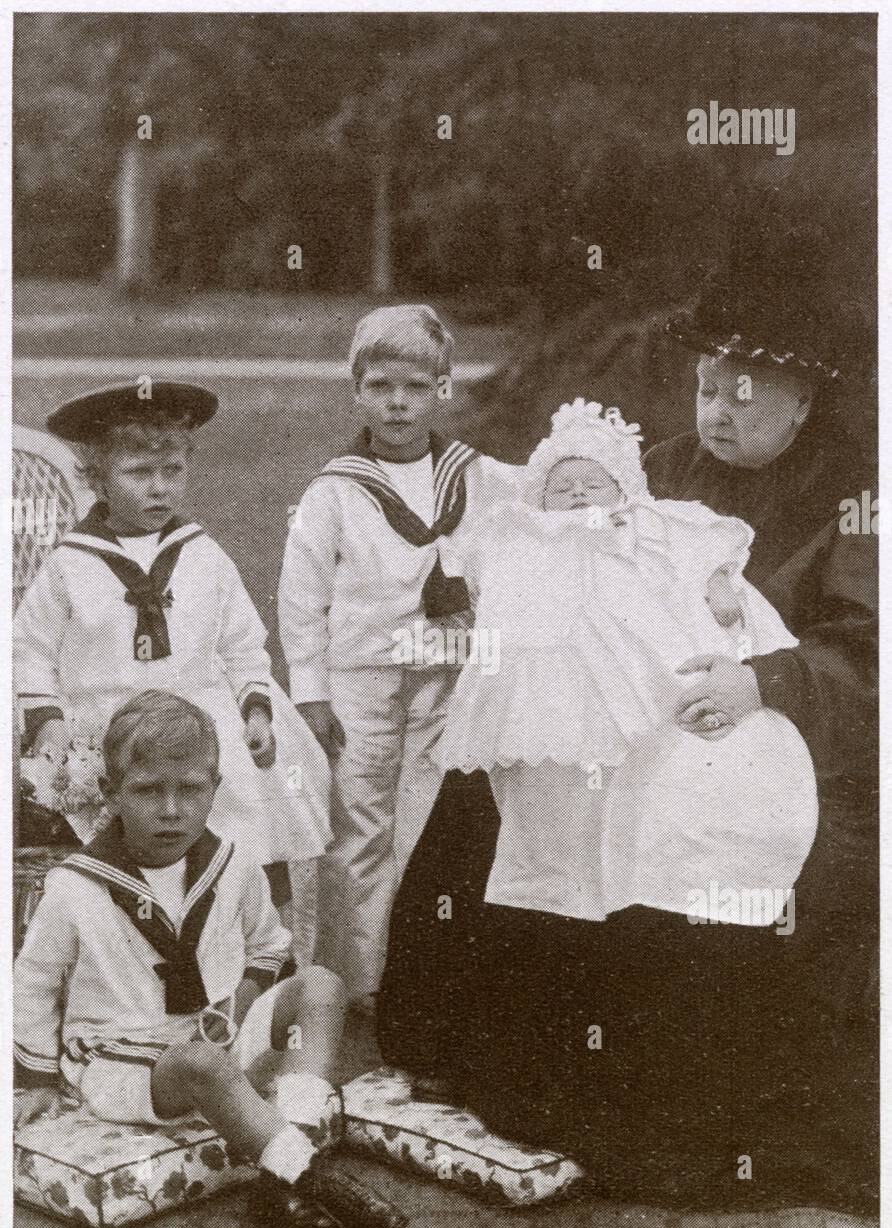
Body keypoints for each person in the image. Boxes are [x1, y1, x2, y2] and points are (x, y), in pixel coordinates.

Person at [378, 241, 878, 1215]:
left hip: (785, 739)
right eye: (707, 388)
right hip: (626, 718)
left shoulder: (854, 497)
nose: (719, 413)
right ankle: (472, 1050)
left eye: (745, 395)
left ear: (803, 402)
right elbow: (552, 546)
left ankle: (649, 1104)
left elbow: (866, 657)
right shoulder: (656, 469)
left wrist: (760, 679)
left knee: (727, 857)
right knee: (497, 785)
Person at [435, 398, 815, 924]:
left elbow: (703, 541)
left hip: (634, 666)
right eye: (561, 488)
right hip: (547, 679)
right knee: (548, 789)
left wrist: (719, 579)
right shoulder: (523, 531)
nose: (576, 496)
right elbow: (481, 571)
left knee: (644, 777)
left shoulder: (647, 525)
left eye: (592, 485)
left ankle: (653, 876)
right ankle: (554, 887)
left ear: (622, 492)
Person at [14, 692, 351, 1228]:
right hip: (124, 1063)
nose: (171, 810)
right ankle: (310, 1175)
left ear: (215, 790)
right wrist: (34, 1079)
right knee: (203, 1065)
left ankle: (289, 1157)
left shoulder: (234, 863)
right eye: (147, 791)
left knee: (321, 986)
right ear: (110, 795)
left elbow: (268, 948)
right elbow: (33, 986)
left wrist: (238, 1007)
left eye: (190, 789)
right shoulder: (74, 886)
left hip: (215, 1037)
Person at [13, 381, 331, 960]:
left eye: (173, 471)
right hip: (108, 717)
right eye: (139, 473)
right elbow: (29, 650)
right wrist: (48, 722)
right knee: (135, 820)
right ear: (97, 479)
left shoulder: (202, 553)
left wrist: (254, 706)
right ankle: (133, 952)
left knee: (253, 797)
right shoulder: (69, 566)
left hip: (201, 709)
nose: (160, 488)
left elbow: (241, 641)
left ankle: (260, 945)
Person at [279, 304, 519, 1008]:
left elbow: (553, 493)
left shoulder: (473, 476)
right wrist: (311, 692)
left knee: (429, 825)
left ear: (442, 389)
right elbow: (301, 599)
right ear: (357, 391)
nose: (398, 402)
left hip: (447, 675)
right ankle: (357, 992)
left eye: (417, 387)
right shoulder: (335, 491)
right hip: (361, 680)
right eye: (380, 386)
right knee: (358, 832)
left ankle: (417, 985)